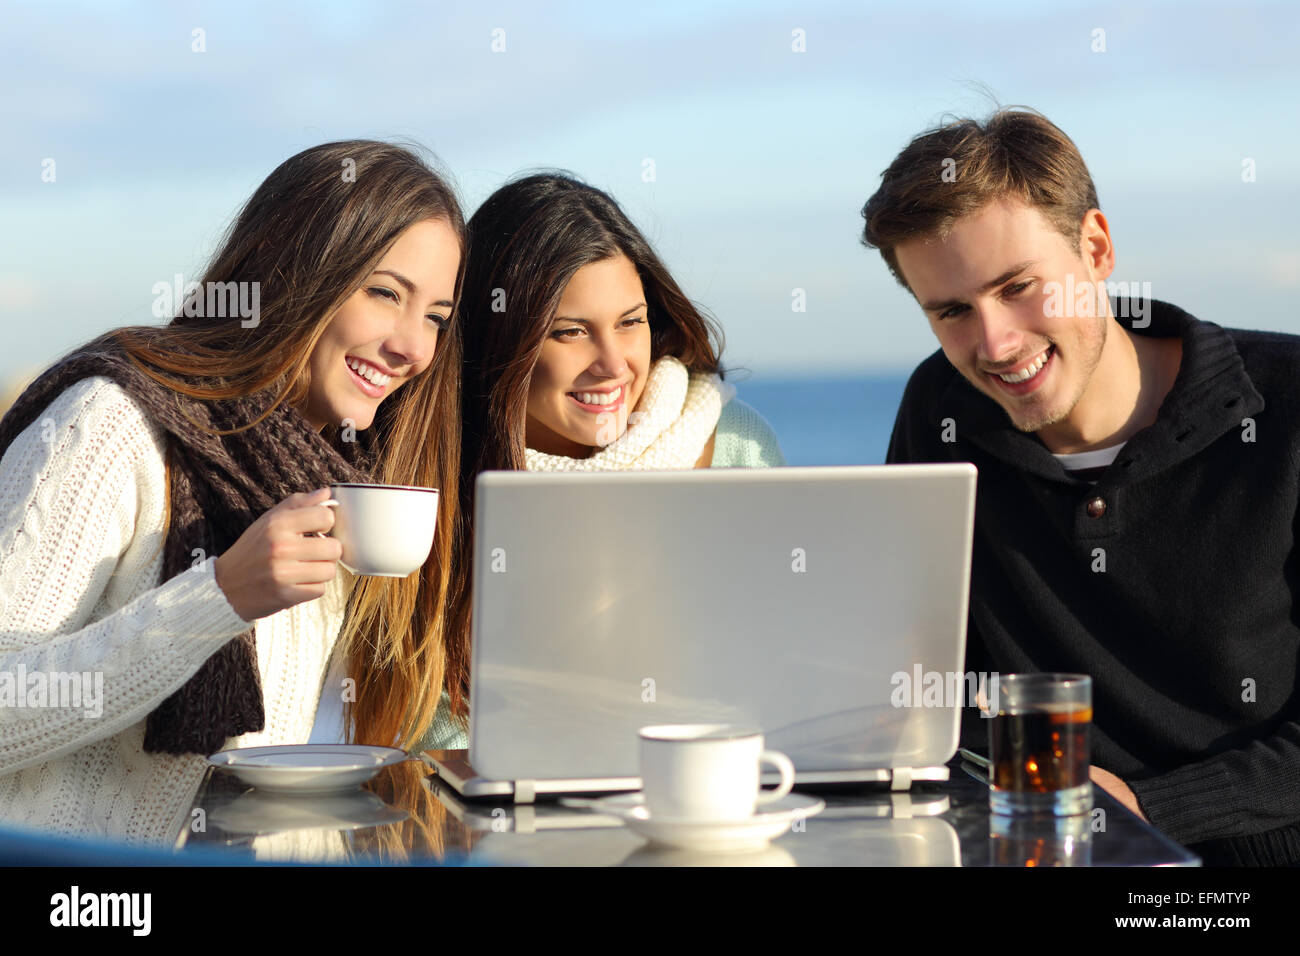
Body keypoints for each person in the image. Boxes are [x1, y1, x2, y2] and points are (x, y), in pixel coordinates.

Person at [865, 108, 1300, 866]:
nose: (996, 343)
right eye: (953, 311)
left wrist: (1147, 810)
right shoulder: (941, 411)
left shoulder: (1288, 405)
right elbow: (923, 678)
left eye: (1019, 287)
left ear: (1095, 248)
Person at [0, 140, 468, 845]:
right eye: (384, 293)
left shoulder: (323, 472)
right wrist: (214, 597)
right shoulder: (112, 424)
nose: (413, 347)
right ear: (296, 274)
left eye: (436, 315)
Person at [411, 173, 784, 752]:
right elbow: (426, 729)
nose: (613, 364)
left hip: (701, 781)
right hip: (496, 811)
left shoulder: (733, 442)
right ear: (499, 341)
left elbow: (786, 659)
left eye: (630, 322)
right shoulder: (438, 476)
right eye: (570, 333)